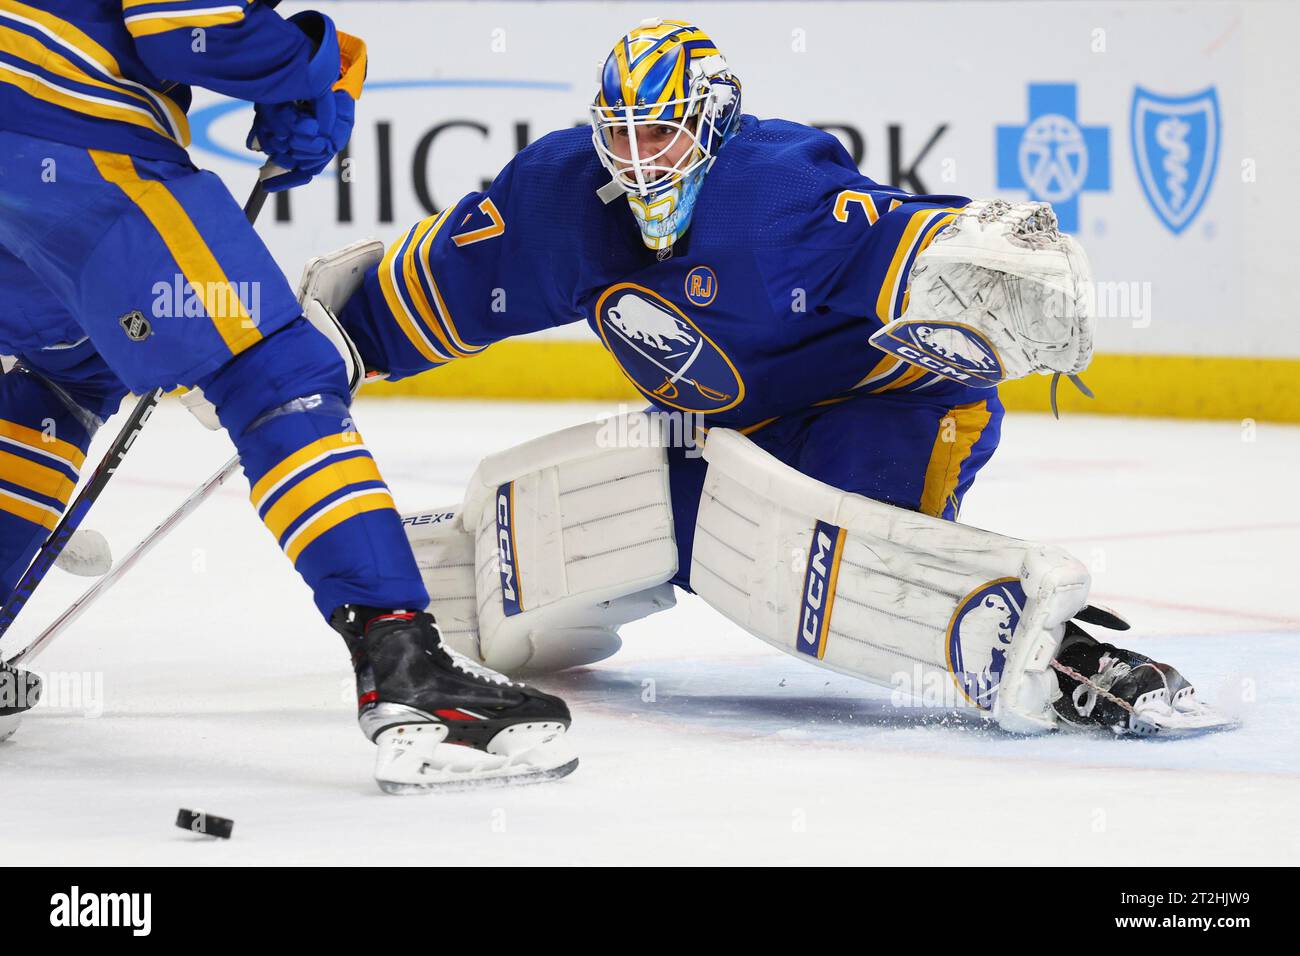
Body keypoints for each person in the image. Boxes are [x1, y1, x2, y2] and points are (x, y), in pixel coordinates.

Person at [322, 17, 1231, 739]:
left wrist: (970, 257)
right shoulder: (565, 196)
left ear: (713, 129)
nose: (639, 161)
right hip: (722, 432)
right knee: (592, 508)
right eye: (622, 135)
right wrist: (328, 343)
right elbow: (452, 284)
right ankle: (412, 623)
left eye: (663, 138)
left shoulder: (774, 195)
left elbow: (900, 245)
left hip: (880, 408)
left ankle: (1069, 663)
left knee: (841, 551)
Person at [0, 0, 575, 789]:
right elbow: (182, 25)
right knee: (276, 374)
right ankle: (406, 672)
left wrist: (290, 76)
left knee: (64, 369)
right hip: (66, 126)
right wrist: (315, 63)